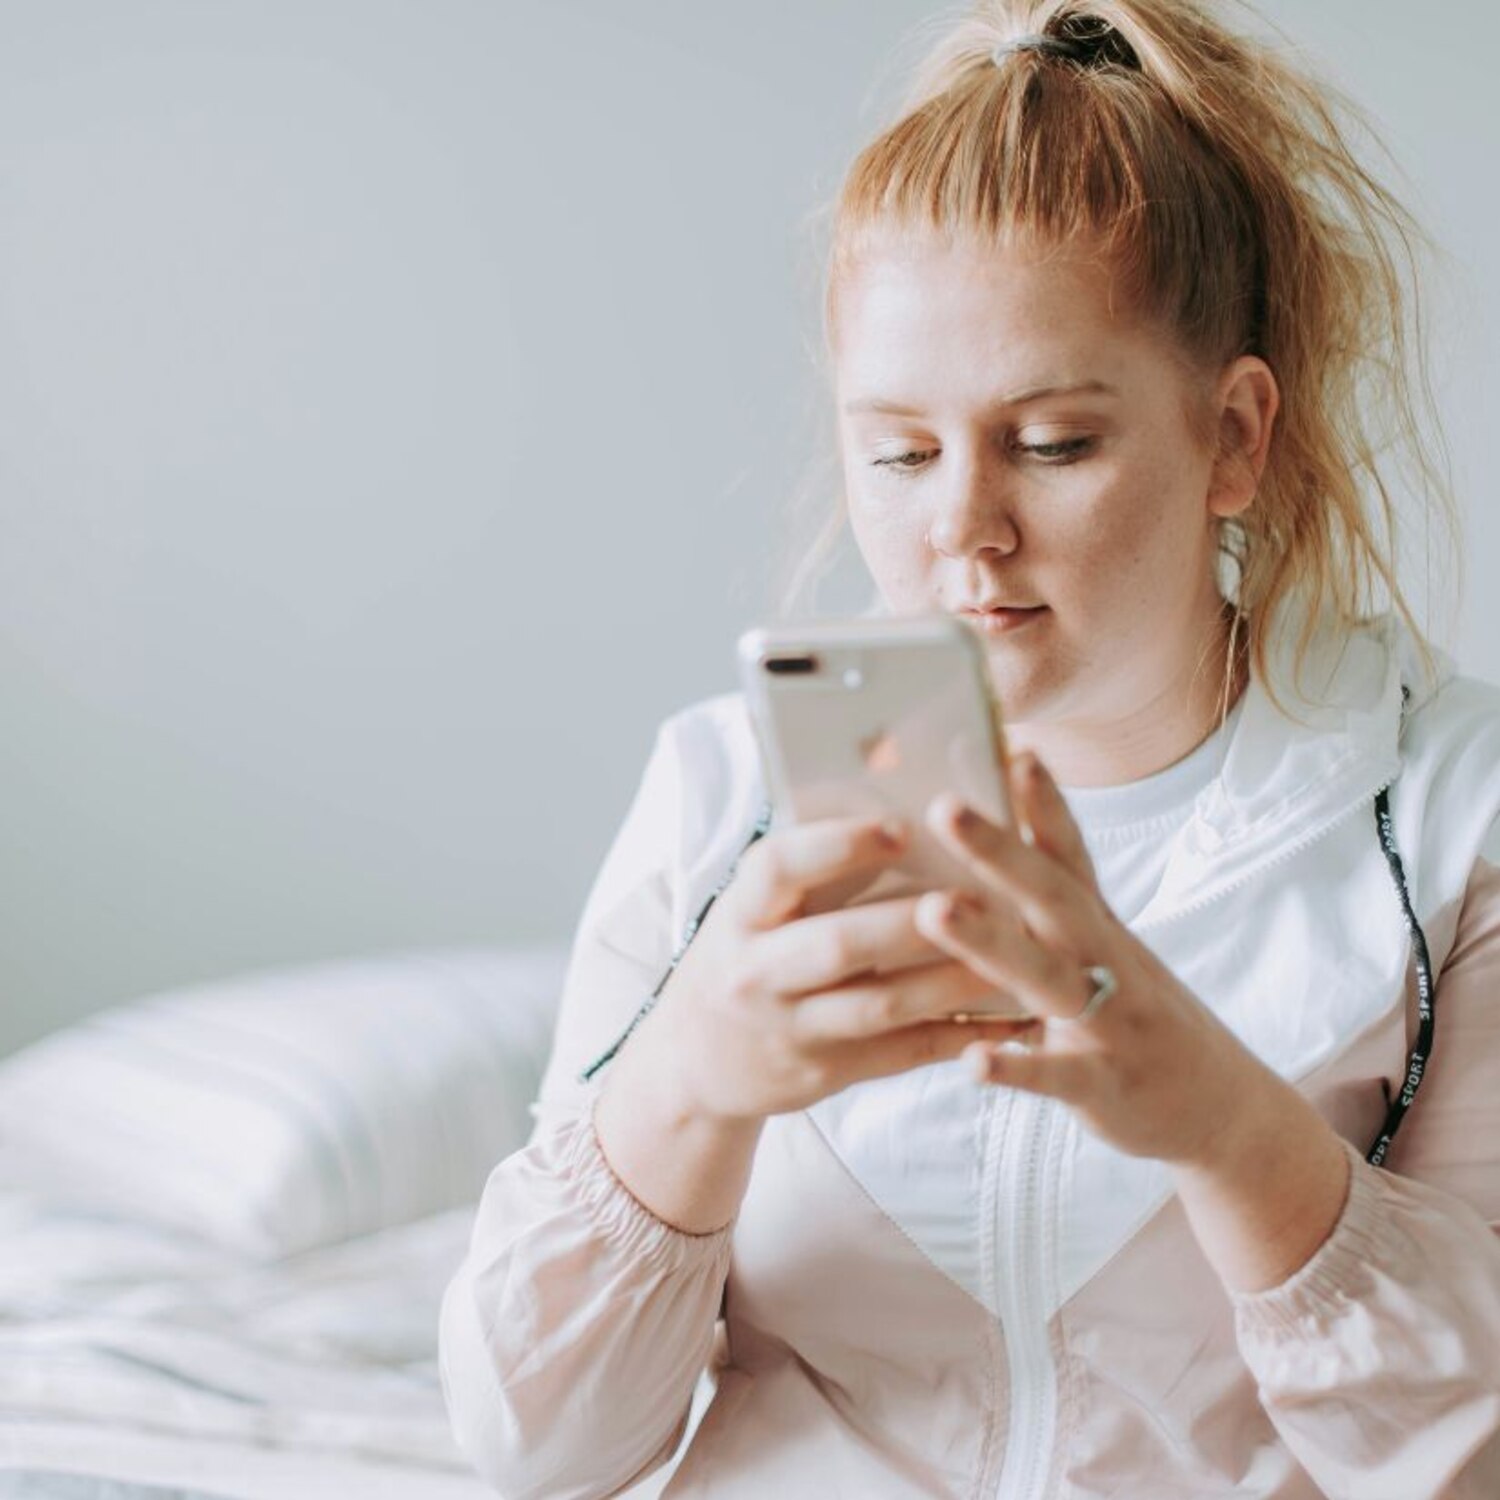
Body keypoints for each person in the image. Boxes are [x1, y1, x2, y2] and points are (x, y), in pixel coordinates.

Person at [439, 3, 1500, 1495]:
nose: (960, 531)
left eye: (1055, 444)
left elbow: (1471, 1456)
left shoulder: (1454, 821)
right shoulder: (720, 801)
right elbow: (531, 1454)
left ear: (1238, 435)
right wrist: (688, 1085)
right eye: (901, 451)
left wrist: (1222, 1123)